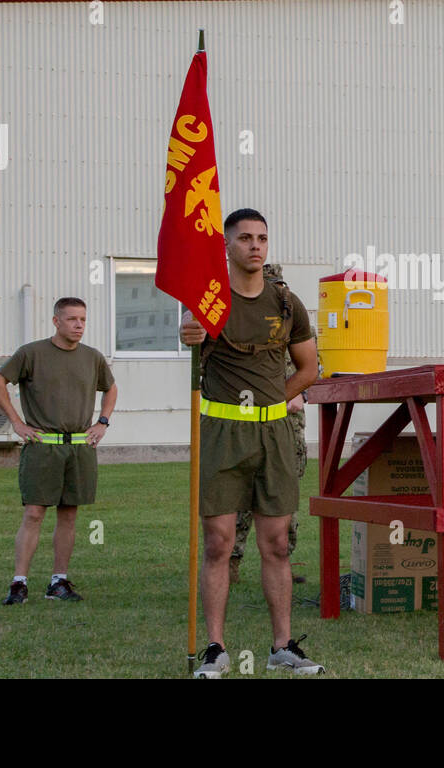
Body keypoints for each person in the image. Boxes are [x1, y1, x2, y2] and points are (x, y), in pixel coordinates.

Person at [181, 209, 323, 677]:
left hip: (274, 434)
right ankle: (216, 649)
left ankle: (282, 647)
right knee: (219, 542)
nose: (255, 246)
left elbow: (308, 368)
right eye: (245, 238)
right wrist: (188, 333)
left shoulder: (286, 302)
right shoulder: (208, 300)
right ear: (227, 245)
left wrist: (270, 402)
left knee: (278, 543)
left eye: (262, 238)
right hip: (222, 434)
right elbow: (189, 340)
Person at [0, 296, 117, 605]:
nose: (78, 325)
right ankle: (19, 583)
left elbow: (110, 388)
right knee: (34, 513)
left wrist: (102, 422)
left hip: (79, 448)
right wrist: (17, 423)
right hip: (42, 448)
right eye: (72, 319)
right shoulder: (32, 353)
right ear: (56, 321)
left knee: (69, 515)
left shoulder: (92, 357)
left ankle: (58, 581)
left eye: (83, 320)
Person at [228, 263, 309, 587]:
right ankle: (230, 562)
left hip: (289, 428)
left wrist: (297, 392)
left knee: (283, 500)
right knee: (239, 498)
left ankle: (281, 565)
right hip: (248, 423)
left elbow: (312, 367)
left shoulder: (292, 324)